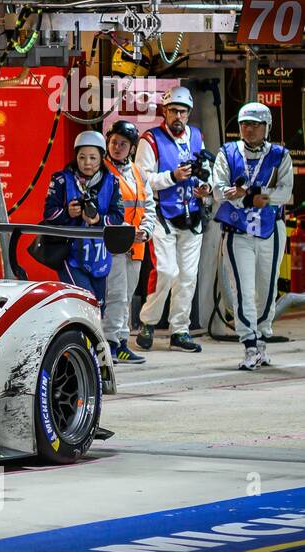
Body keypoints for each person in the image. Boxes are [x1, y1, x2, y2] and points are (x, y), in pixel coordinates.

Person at [212, 102, 293, 370]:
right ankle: (249, 344)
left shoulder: (280, 155)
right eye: (245, 124)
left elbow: (285, 192)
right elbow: (219, 189)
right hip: (238, 231)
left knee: (267, 289)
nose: (249, 129)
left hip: (271, 229)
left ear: (267, 127)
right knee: (242, 290)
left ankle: (261, 342)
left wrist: (251, 193)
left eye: (255, 125)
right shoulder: (227, 152)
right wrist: (250, 198)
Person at [136, 86, 211, 352]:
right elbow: (141, 179)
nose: (178, 116)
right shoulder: (150, 139)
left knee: (188, 276)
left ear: (189, 113)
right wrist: (172, 177)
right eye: (173, 111)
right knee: (167, 271)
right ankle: (148, 321)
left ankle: (180, 330)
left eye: (182, 111)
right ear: (164, 112)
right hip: (161, 214)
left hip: (191, 214)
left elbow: (205, 171)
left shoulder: (196, 136)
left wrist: (206, 187)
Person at [43, 131, 124, 304]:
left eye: (93, 158)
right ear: (76, 157)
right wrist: (67, 213)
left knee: (99, 306)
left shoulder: (113, 181)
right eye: (82, 157)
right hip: (70, 254)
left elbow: (118, 216)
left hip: (100, 256)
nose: (87, 163)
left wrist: (98, 220)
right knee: (85, 302)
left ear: (102, 157)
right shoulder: (61, 180)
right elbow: (48, 214)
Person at [102, 121, 156, 364]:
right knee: (115, 295)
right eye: (114, 142)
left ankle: (122, 342)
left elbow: (149, 207)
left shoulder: (138, 173)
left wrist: (146, 230)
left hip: (135, 246)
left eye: (123, 144)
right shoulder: (101, 171)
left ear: (132, 148)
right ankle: (110, 343)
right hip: (112, 245)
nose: (117, 147)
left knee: (126, 295)